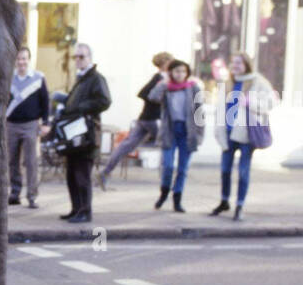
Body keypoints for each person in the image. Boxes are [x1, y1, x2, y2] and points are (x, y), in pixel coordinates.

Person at [211, 51, 274, 221]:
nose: (235, 66)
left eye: (239, 62)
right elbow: (220, 109)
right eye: (233, 62)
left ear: (247, 64)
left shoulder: (258, 82)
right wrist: (218, 129)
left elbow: (270, 103)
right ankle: (224, 201)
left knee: (243, 172)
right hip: (228, 132)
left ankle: (240, 204)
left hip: (246, 133)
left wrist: (250, 103)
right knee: (225, 170)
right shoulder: (228, 83)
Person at [99, 51, 171, 189]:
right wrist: (158, 100)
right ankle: (165, 181)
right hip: (153, 118)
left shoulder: (160, 78)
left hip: (144, 118)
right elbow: (143, 93)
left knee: (127, 145)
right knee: (166, 144)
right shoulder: (160, 78)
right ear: (165, 63)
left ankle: (105, 172)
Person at [56, 43, 111, 223]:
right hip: (74, 134)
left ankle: (85, 211)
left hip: (86, 134)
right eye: (76, 57)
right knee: (72, 174)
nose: (78, 60)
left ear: (90, 58)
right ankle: (76, 209)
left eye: (81, 57)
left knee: (82, 174)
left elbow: (104, 101)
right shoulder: (82, 79)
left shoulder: (95, 78)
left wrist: (81, 108)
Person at [147, 59, 204, 212]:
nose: (180, 74)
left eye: (183, 71)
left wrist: (199, 135)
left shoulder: (193, 88)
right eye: (177, 71)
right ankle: (164, 192)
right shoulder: (166, 87)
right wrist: (163, 84)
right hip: (170, 131)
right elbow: (152, 97)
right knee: (168, 165)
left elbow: (200, 113)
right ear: (171, 72)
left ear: (187, 73)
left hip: (188, 132)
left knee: (183, 169)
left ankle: (177, 199)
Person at [5, 46, 49, 208]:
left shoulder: (38, 77)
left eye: (24, 58)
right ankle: (15, 193)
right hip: (11, 125)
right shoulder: (9, 78)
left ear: (29, 60)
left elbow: (45, 101)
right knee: (12, 161)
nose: (21, 62)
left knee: (31, 162)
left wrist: (46, 123)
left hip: (31, 125)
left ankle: (32, 196)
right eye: (18, 59)